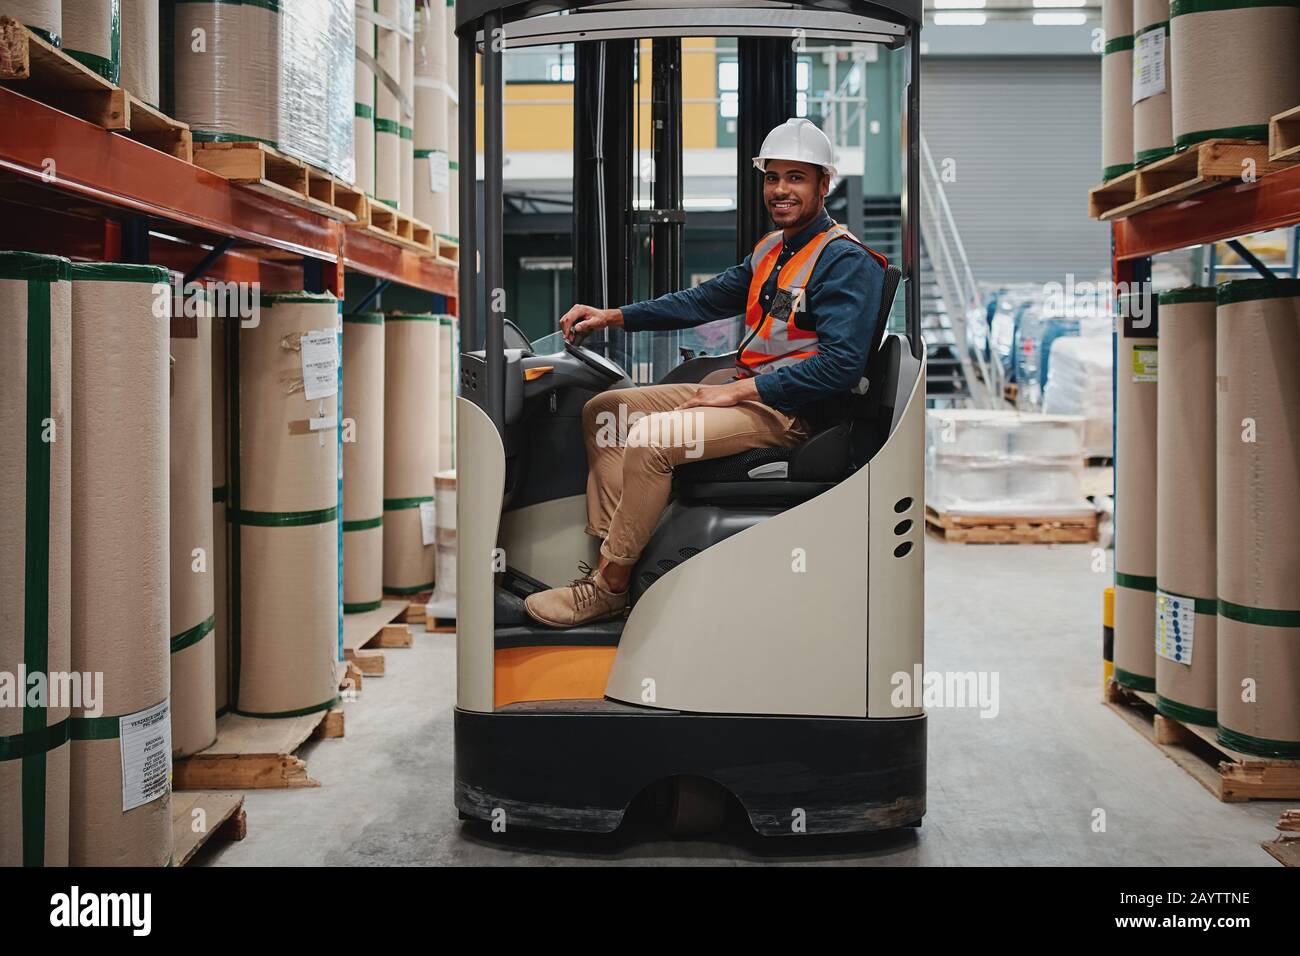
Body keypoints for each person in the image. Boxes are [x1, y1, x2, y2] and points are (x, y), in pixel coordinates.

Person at [523, 117, 887, 628]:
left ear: (824, 184)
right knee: (609, 411)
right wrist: (614, 316)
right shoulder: (773, 250)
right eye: (772, 176)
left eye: (796, 177)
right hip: (749, 393)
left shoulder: (847, 262)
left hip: (793, 412)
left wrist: (741, 390)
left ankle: (610, 586)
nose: (780, 189)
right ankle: (611, 560)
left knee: (652, 438)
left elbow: (841, 366)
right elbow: (701, 300)